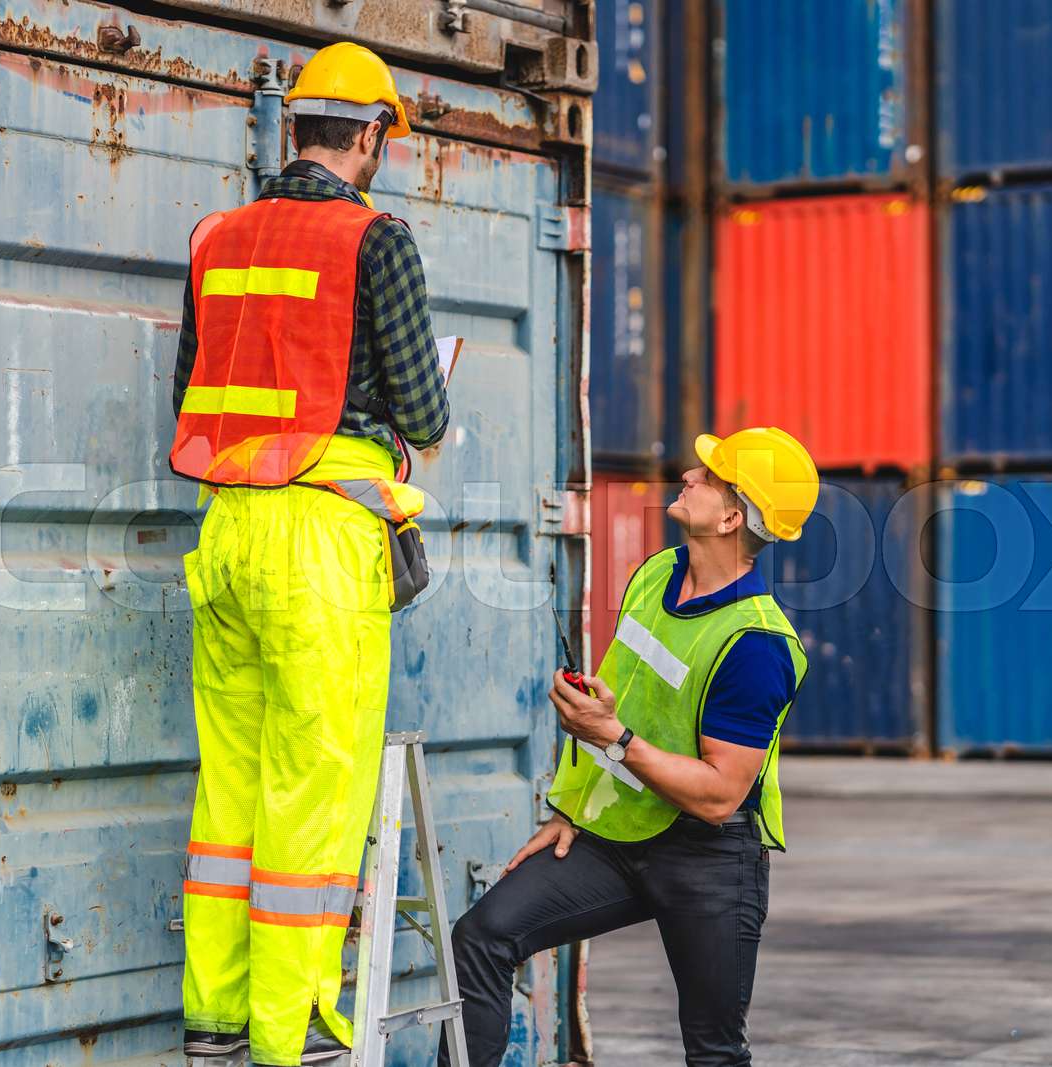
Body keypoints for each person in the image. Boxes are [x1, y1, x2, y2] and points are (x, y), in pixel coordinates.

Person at [168, 41, 449, 1067]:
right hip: (322, 531)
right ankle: (296, 1039)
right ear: (370, 136)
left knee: (230, 787)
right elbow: (422, 406)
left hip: (227, 527)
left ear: (292, 127)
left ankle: (216, 1022)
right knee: (315, 785)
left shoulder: (217, 237)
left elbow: (188, 398)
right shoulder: (377, 240)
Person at [444, 427, 820, 1067]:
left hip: (711, 862)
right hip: (621, 840)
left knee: (714, 1051)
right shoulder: (656, 574)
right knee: (481, 935)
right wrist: (570, 806)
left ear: (732, 517)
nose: (689, 477)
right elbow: (624, 700)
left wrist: (612, 737)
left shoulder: (757, 645)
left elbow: (719, 795)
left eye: (709, 477)